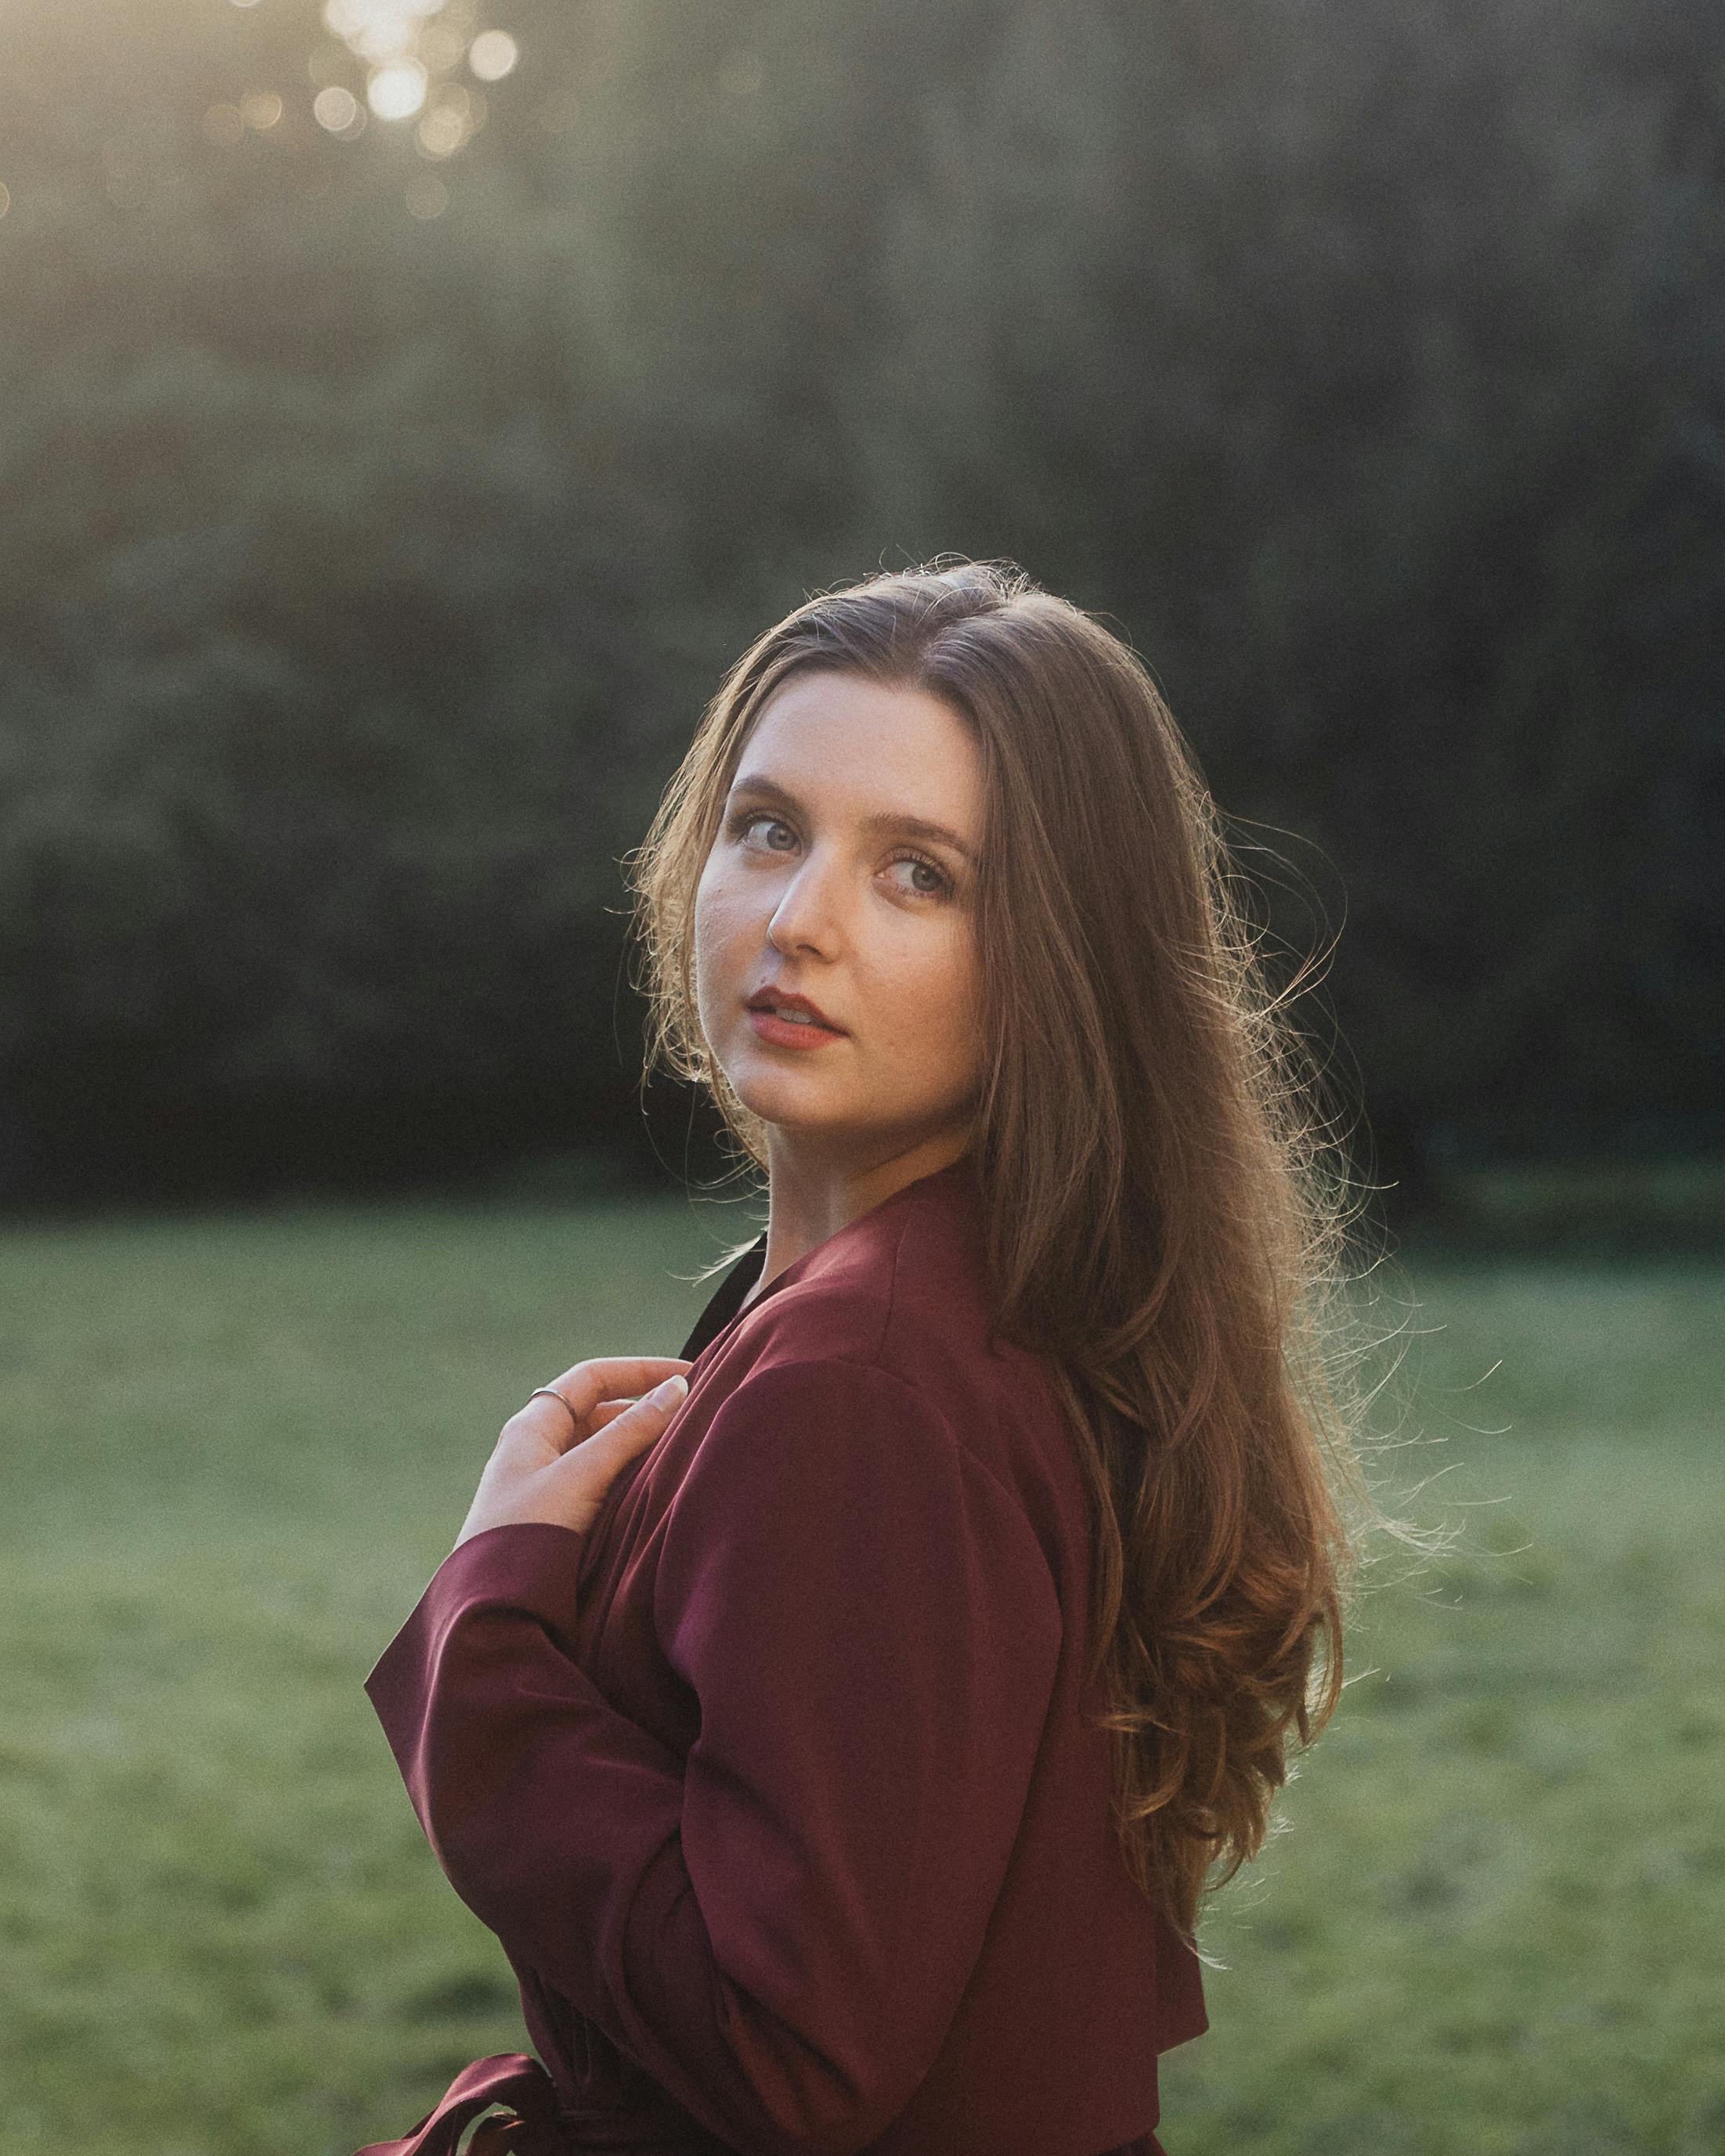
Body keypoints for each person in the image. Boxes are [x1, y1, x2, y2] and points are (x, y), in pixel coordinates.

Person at [353, 559, 1372, 2155]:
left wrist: (492, 1629)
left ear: (1056, 952)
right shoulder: (961, 1298)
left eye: (919, 875)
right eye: (767, 828)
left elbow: (790, 2057)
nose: (799, 919)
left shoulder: (867, 1380)